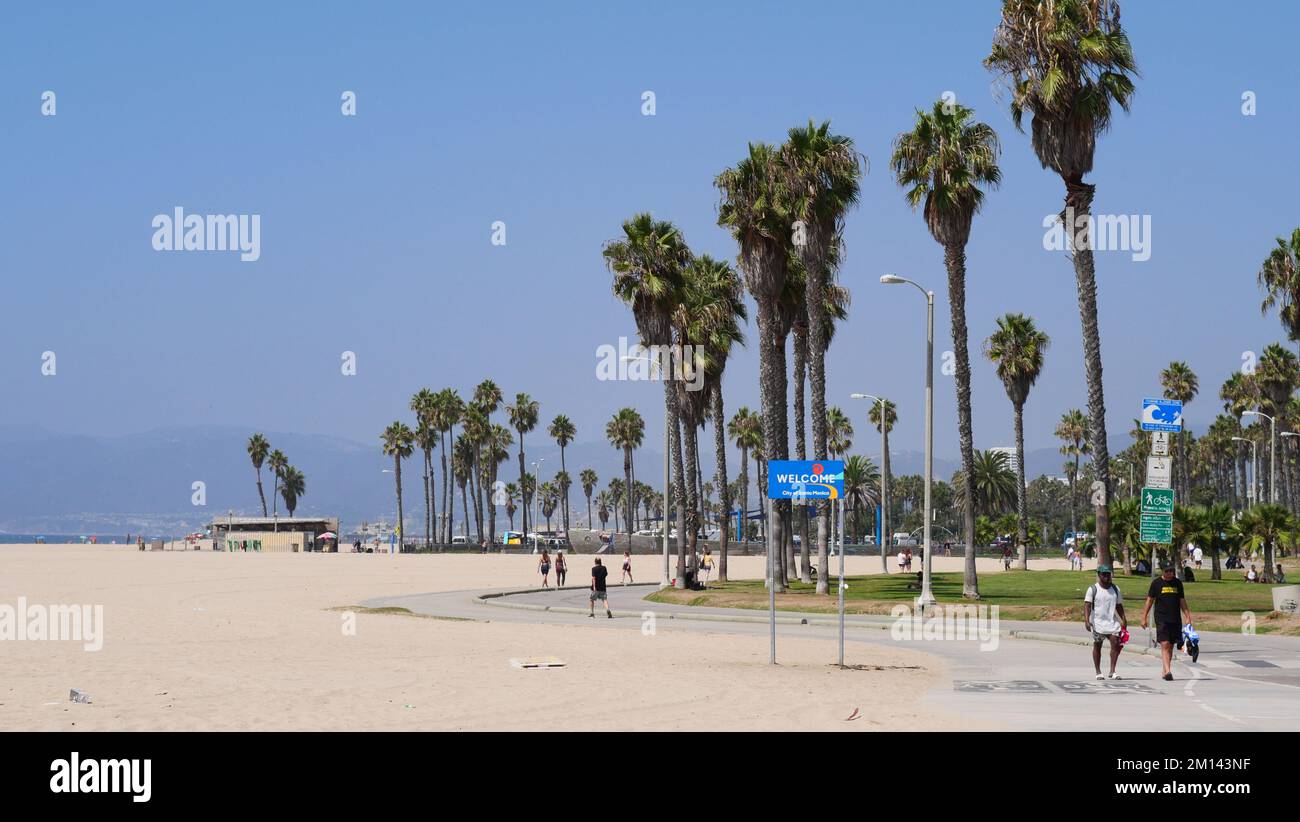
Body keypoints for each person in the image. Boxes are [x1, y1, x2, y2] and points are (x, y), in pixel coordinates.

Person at [1141, 564, 1194, 681]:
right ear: (1163, 571)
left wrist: (1187, 616)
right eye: (1168, 571)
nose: (1170, 573)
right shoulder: (1156, 583)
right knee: (1164, 644)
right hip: (1161, 618)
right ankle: (1168, 671)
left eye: (1172, 571)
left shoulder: (1177, 583)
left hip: (1175, 618)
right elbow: (1150, 600)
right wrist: (1144, 617)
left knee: (1170, 645)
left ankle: (1165, 670)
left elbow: (1182, 600)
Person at [1084, 565, 1127, 680]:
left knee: (1116, 644)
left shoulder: (1115, 589)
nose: (1107, 577)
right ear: (1099, 575)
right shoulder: (1093, 589)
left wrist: (1123, 619)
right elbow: (1087, 605)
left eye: (1108, 574)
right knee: (1098, 646)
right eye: (1104, 574)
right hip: (1097, 623)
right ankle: (1098, 672)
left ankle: (1112, 671)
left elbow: (1119, 605)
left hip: (1112, 623)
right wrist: (1087, 621)